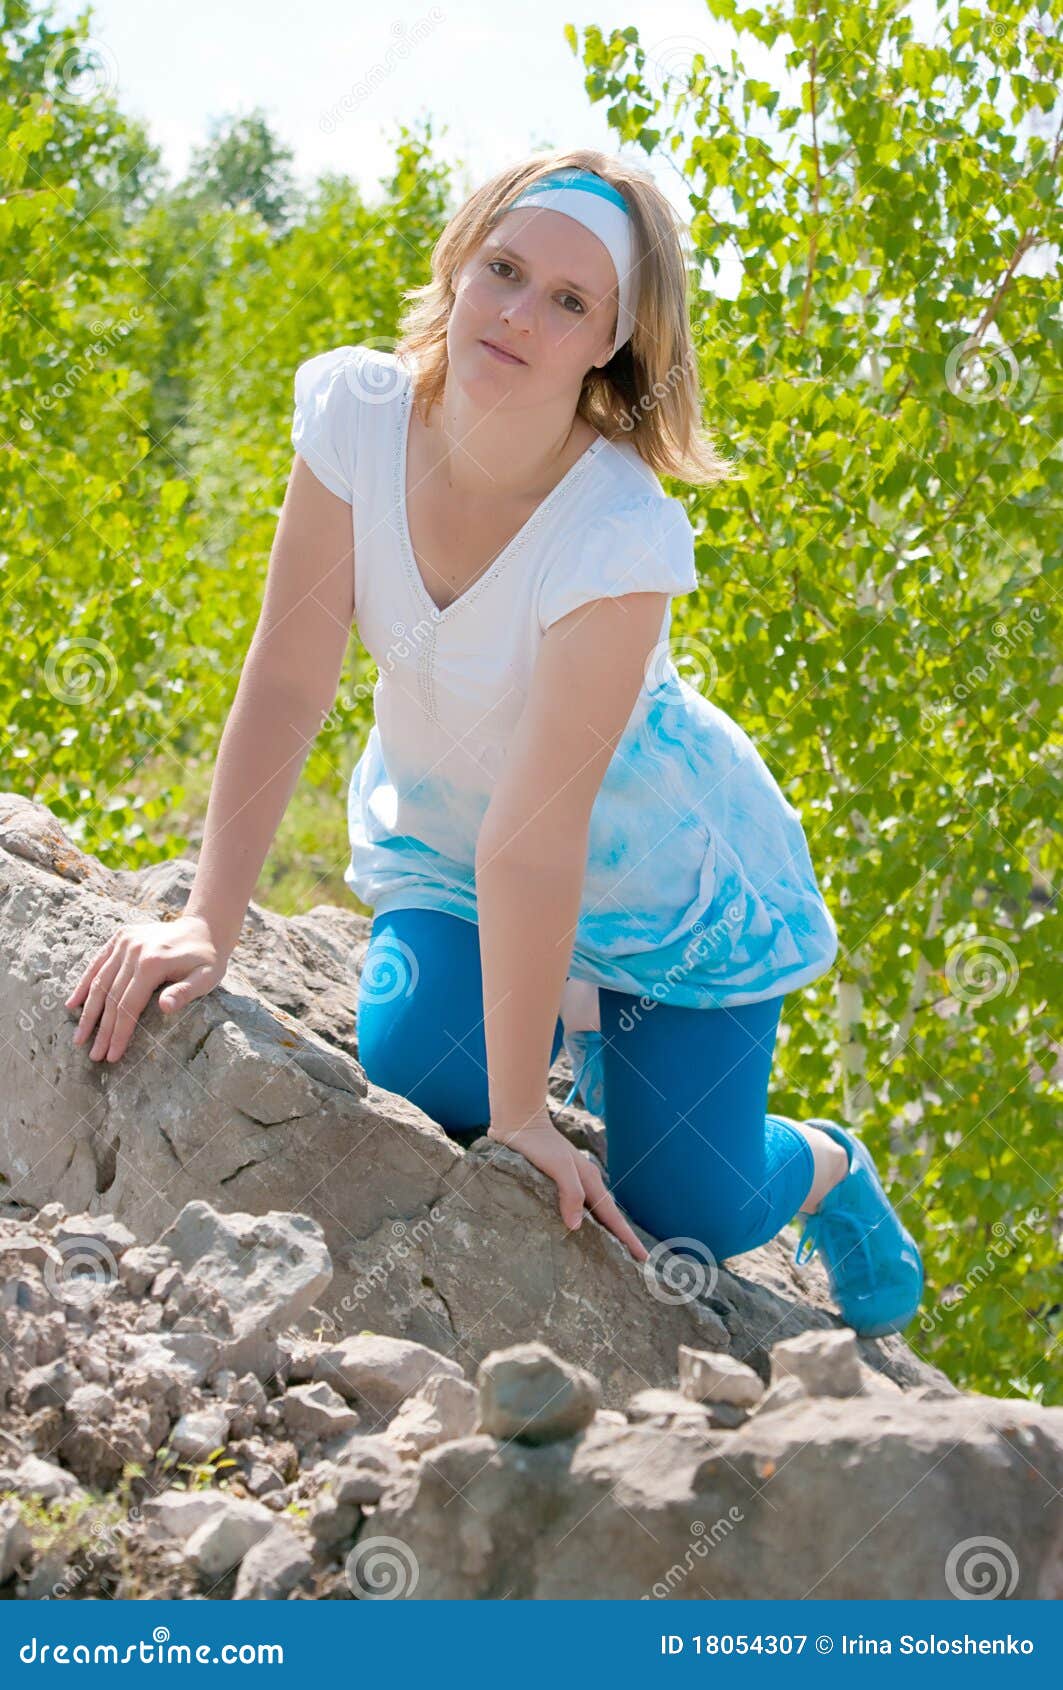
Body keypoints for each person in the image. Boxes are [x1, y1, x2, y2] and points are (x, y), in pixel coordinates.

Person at [65, 148, 923, 1338]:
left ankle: (827, 1161)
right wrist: (208, 918)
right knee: (421, 1065)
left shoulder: (616, 531)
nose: (519, 313)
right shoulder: (358, 417)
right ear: (458, 264)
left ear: (612, 340)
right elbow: (290, 674)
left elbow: (542, 826)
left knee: (695, 1209)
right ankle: (563, 1019)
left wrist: (526, 1115)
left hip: (658, 888)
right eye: (504, 269)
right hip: (452, 851)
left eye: (569, 300)